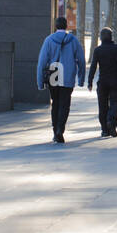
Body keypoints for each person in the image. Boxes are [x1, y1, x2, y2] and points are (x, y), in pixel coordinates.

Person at [37, 15, 85, 143]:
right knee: (65, 104)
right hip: (68, 76)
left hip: (54, 75)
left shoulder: (49, 40)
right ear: (66, 26)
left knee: (55, 103)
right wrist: (81, 79)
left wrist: (40, 81)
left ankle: (55, 130)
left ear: (56, 26)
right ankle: (60, 129)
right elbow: (81, 60)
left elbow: (42, 62)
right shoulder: (73, 40)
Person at [87, 27, 117, 137]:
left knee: (102, 106)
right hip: (116, 81)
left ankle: (104, 129)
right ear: (111, 37)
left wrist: (90, 81)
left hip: (103, 82)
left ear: (101, 38)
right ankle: (111, 121)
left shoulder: (98, 50)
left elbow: (93, 67)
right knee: (114, 103)